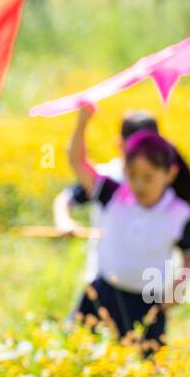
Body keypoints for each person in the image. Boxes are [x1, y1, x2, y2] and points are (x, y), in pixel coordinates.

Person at [67, 103, 190, 356]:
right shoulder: (114, 195)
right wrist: (83, 121)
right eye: (132, 175)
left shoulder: (178, 213)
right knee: (78, 357)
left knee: (149, 371)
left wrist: (179, 287)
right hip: (103, 294)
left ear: (169, 174)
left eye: (148, 177)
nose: (139, 184)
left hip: (150, 302)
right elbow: (77, 161)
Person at [52, 110, 158, 321]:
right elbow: (68, 193)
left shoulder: (162, 184)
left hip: (146, 287)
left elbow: (177, 223)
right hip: (104, 279)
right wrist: (64, 221)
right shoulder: (109, 180)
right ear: (121, 145)